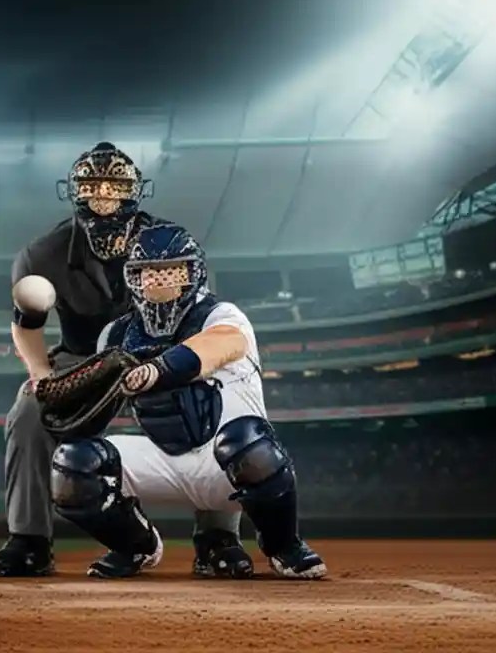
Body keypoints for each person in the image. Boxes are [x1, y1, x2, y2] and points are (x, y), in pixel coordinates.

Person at [0, 143, 252, 579]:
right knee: (29, 412)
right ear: (74, 192)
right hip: (83, 357)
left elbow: (201, 319)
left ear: (135, 191)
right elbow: (26, 324)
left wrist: (185, 366)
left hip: (165, 349)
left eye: (115, 184)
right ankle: (28, 539)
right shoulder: (42, 254)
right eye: (92, 185)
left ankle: (218, 536)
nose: (104, 194)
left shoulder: (173, 244)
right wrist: (41, 374)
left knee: (219, 404)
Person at [49, 222, 327, 579]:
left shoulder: (220, 315)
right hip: (165, 457)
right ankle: (135, 545)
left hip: (226, 461)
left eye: (171, 269)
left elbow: (223, 343)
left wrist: (158, 369)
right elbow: (97, 416)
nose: (160, 279)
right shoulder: (116, 335)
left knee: (249, 444)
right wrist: (64, 401)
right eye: (149, 271)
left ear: (192, 272)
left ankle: (283, 546)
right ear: (133, 278)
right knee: (72, 465)